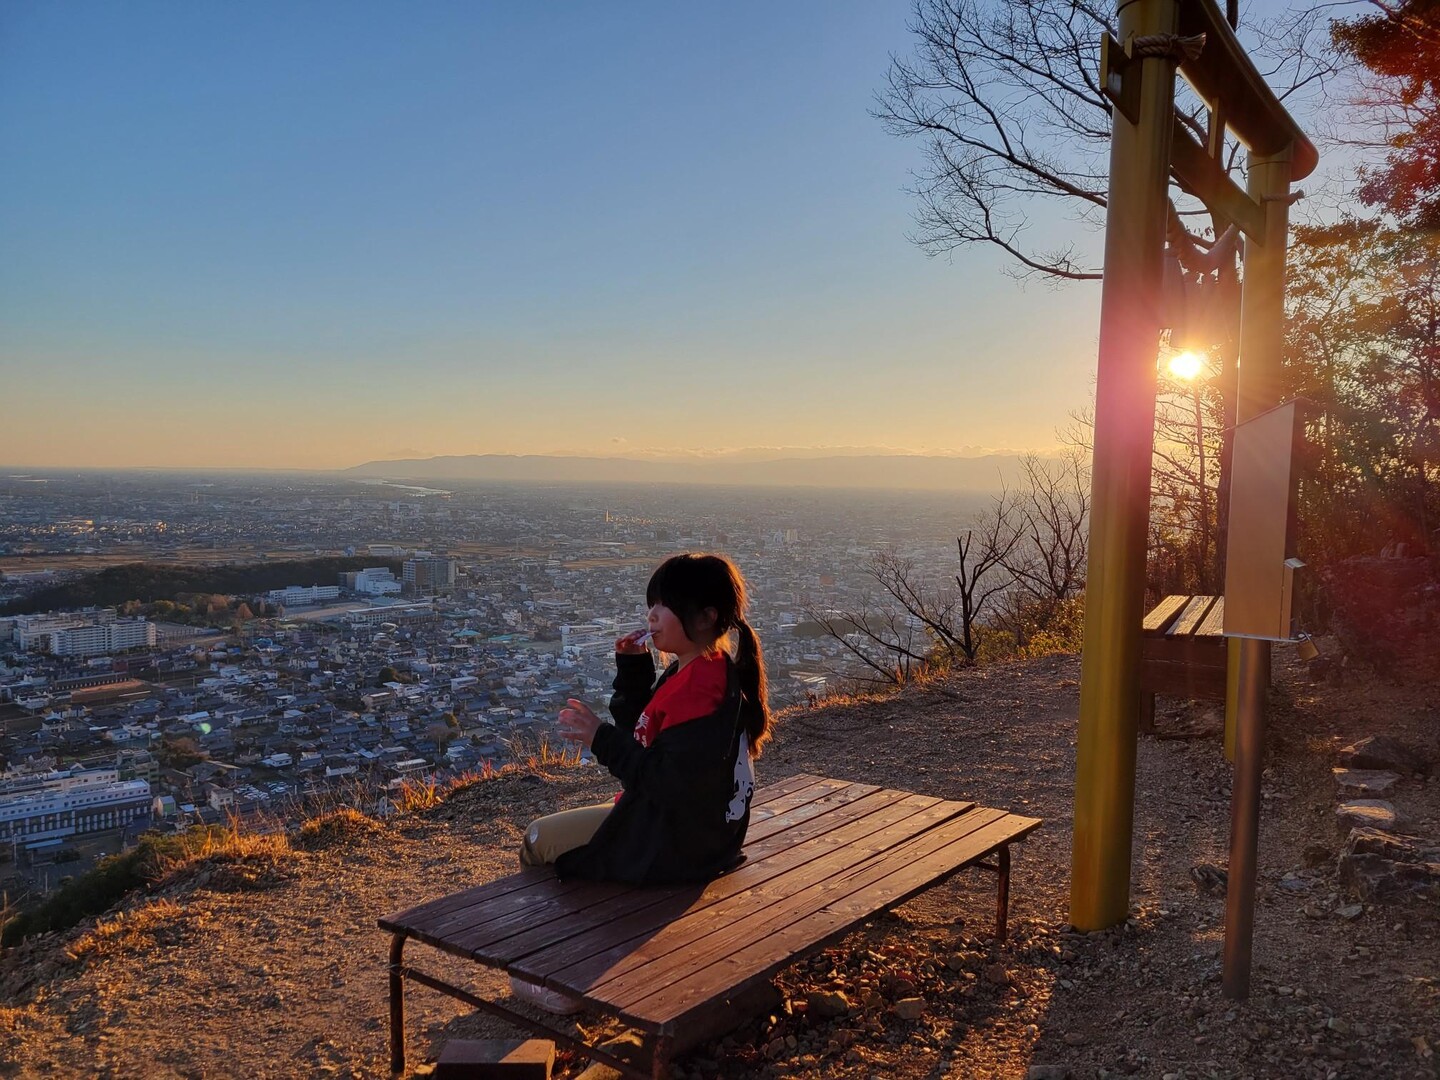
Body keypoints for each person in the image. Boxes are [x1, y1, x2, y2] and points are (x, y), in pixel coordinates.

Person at [519, 552, 772, 886]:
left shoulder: (696, 688)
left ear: (705, 618)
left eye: (664, 605)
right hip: (702, 834)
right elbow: (646, 735)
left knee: (536, 839)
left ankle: (560, 918)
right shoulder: (706, 670)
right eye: (652, 604)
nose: (651, 614)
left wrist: (600, 737)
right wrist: (634, 672)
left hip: (673, 845)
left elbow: (664, 780)